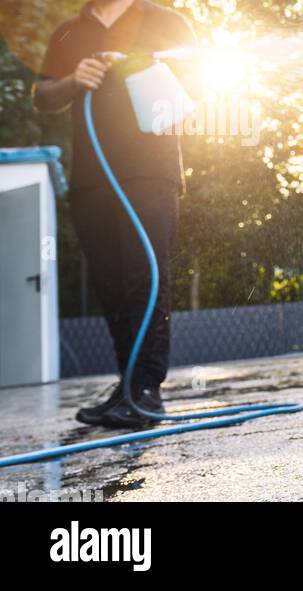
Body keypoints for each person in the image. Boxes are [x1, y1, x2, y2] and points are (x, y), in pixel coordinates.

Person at [34, 0, 196, 428]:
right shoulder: (70, 31)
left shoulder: (166, 21)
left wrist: (138, 64)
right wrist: (74, 80)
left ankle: (147, 390)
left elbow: (198, 80)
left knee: (144, 275)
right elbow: (43, 95)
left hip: (149, 171)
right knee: (110, 284)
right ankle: (127, 384)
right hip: (91, 177)